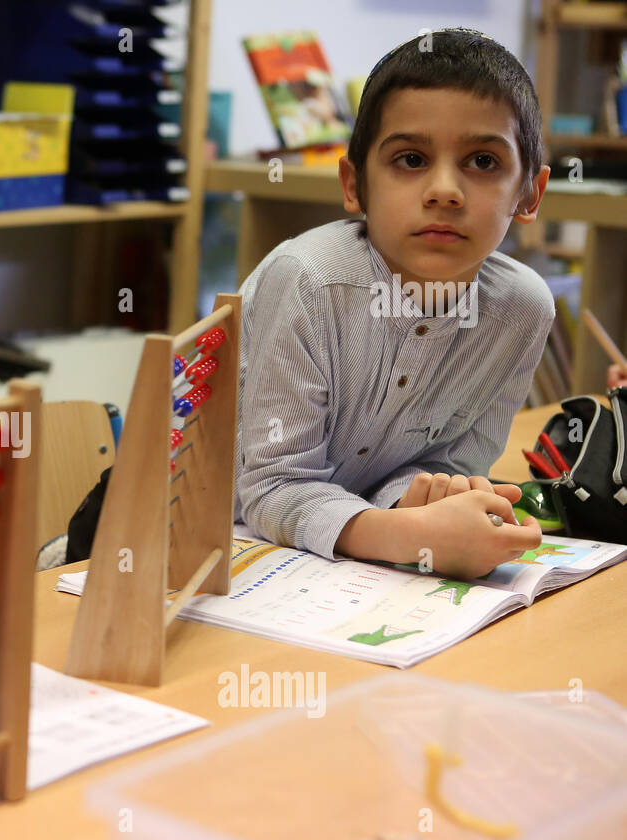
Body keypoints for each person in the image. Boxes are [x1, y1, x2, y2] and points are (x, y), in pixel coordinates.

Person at [235, 28, 549, 581]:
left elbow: (447, 464)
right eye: (410, 158)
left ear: (529, 193)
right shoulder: (310, 280)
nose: (445, 190)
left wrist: (429, 500)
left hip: (329, 570)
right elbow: (269, 489)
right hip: (184, 541)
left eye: (482, 161)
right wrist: (412, 535)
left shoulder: (523, 310)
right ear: (354, 185)